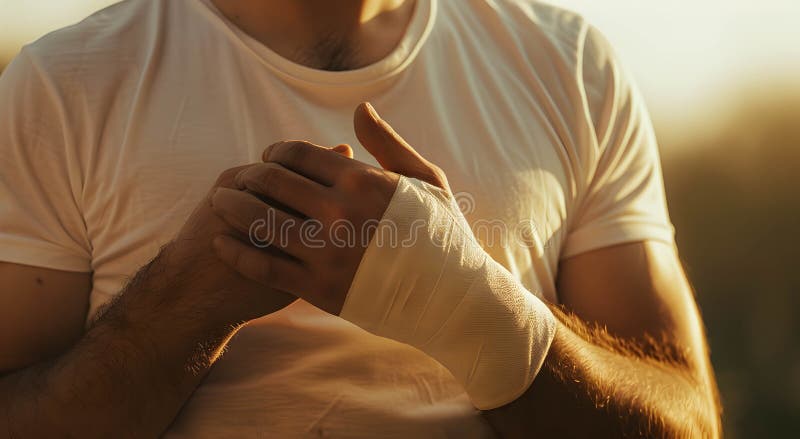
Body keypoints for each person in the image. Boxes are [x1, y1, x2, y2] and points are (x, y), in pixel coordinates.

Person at [0, 0, 721, 436]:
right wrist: (178, 306)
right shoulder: (64, 88)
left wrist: (472, 307)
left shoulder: (571, 69)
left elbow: (688, 422)